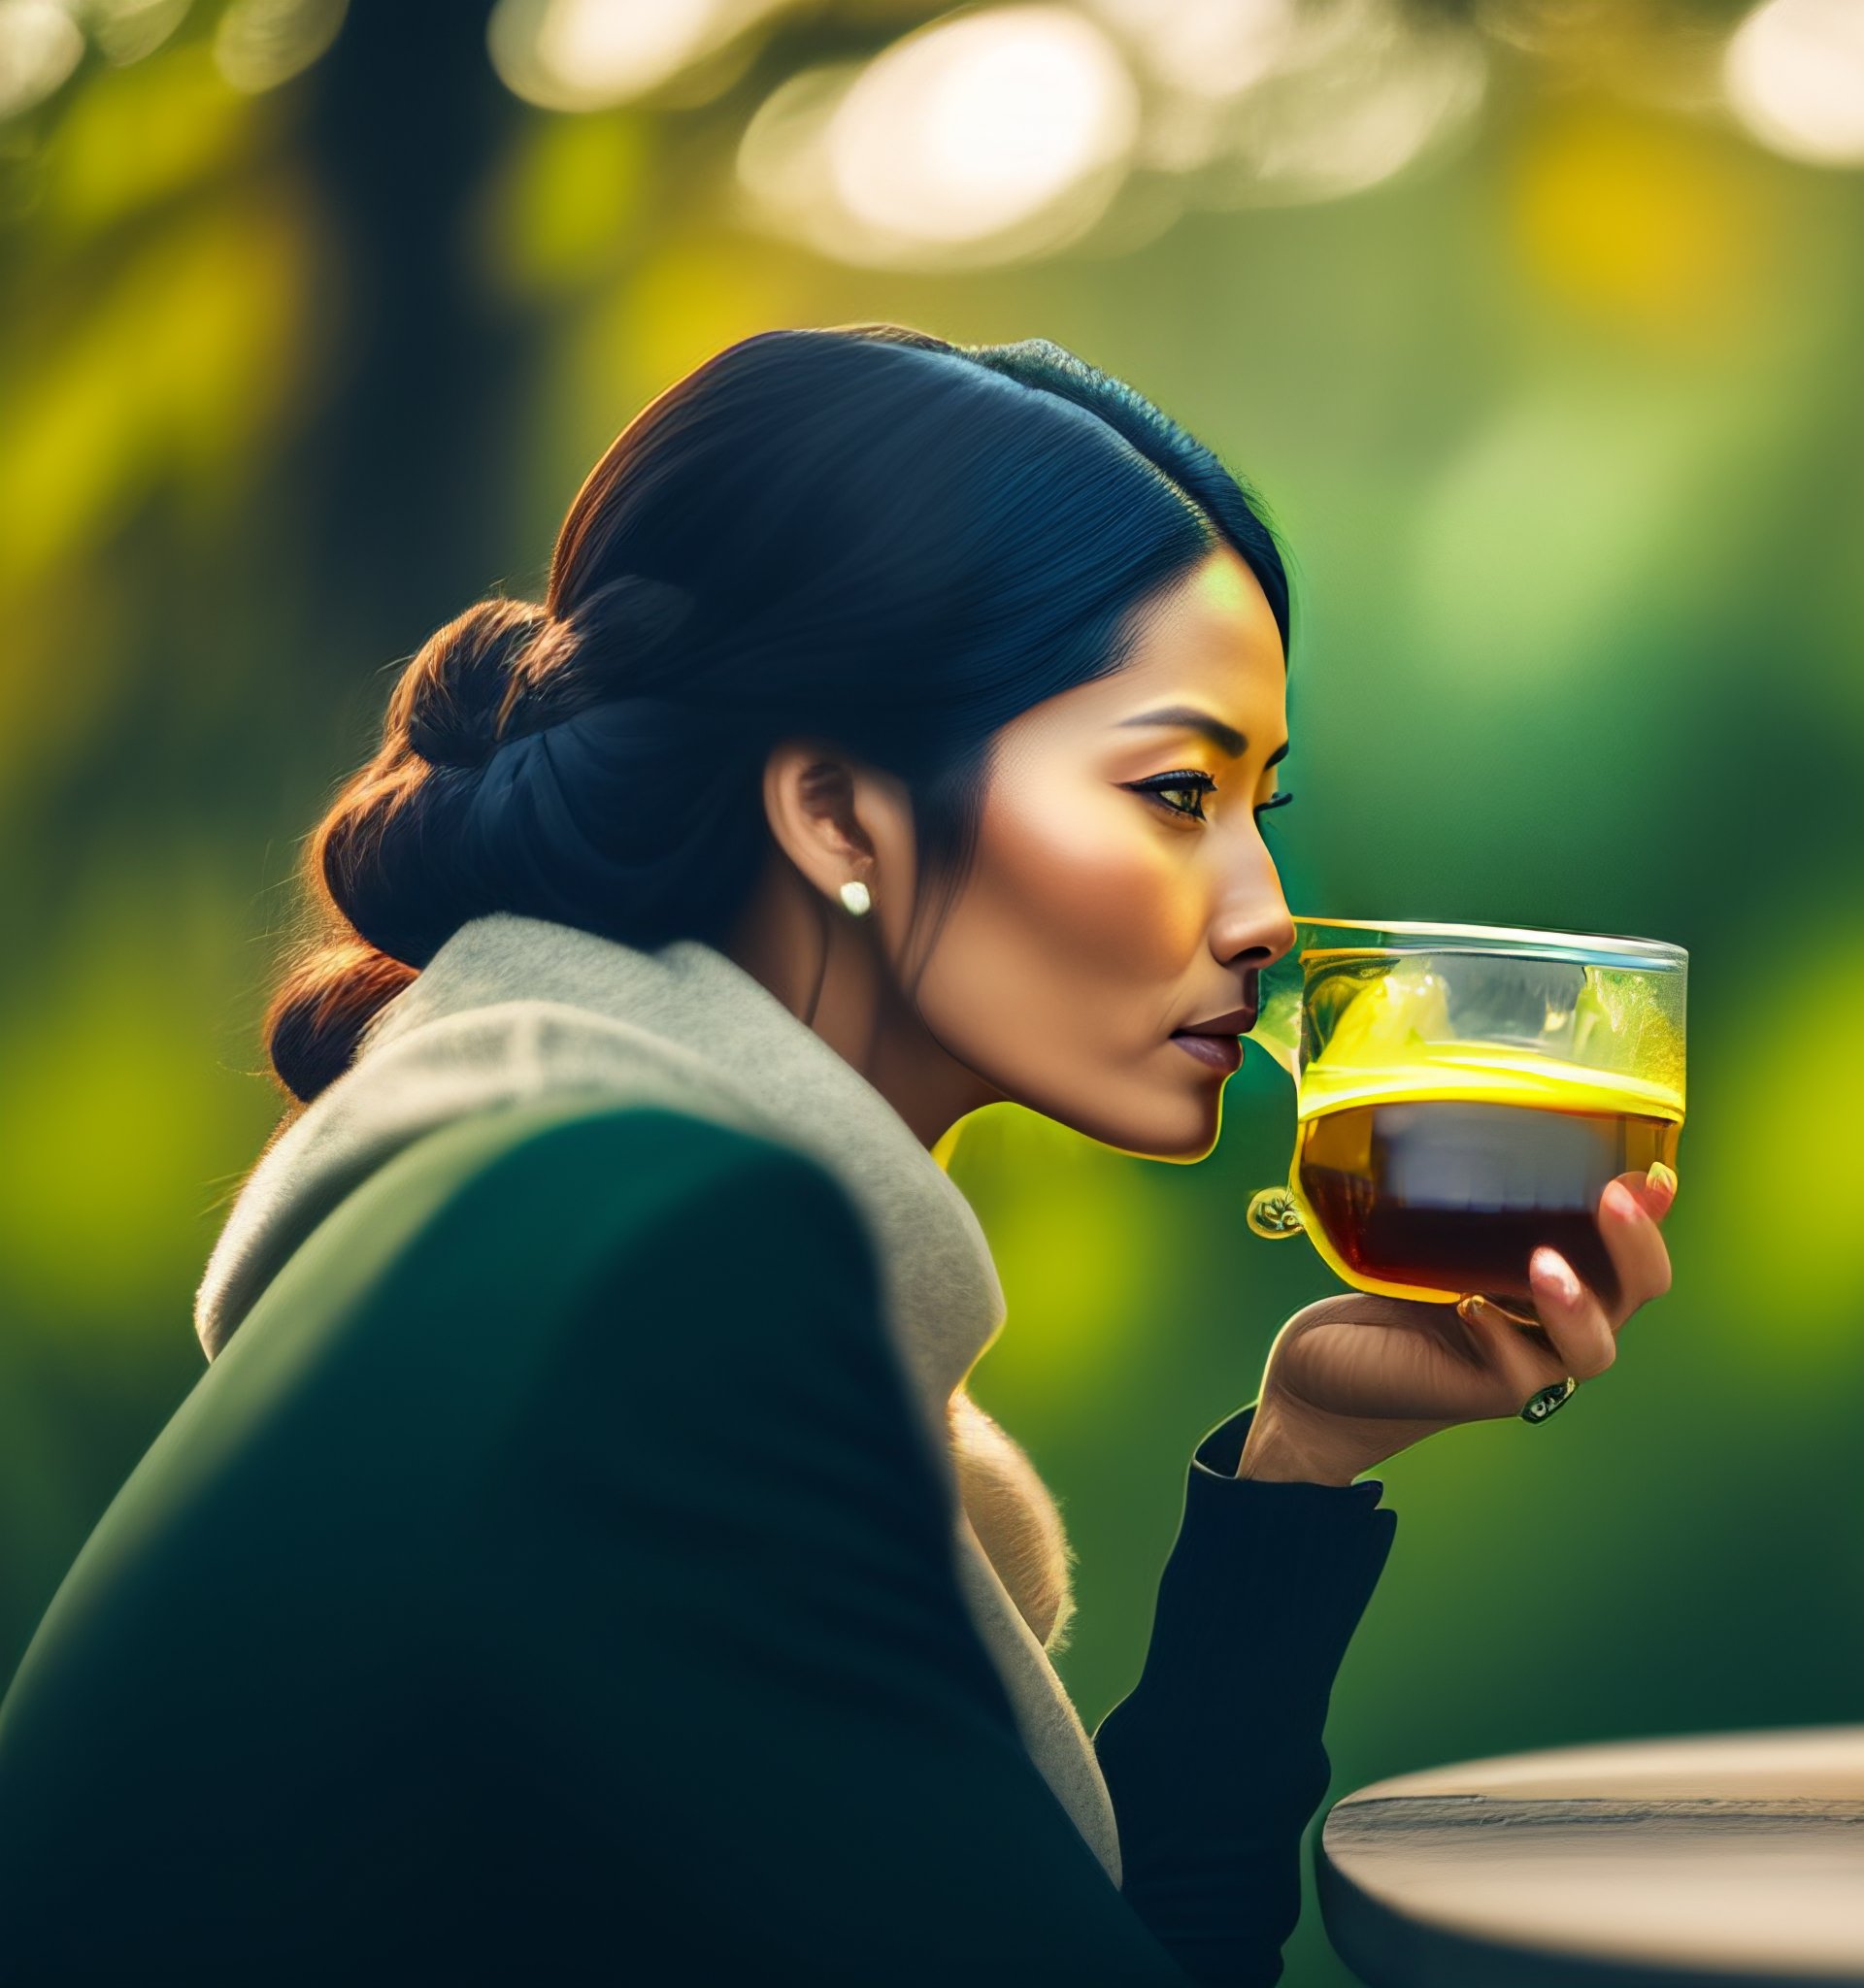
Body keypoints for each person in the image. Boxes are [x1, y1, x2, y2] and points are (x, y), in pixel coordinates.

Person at [0, 326, 1675, 1984]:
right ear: (833, 815)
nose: (1264, 917)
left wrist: (1305, 1461)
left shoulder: (548, 1187)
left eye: (1262, 806)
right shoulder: (657, 1272)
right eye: (1175, 792)